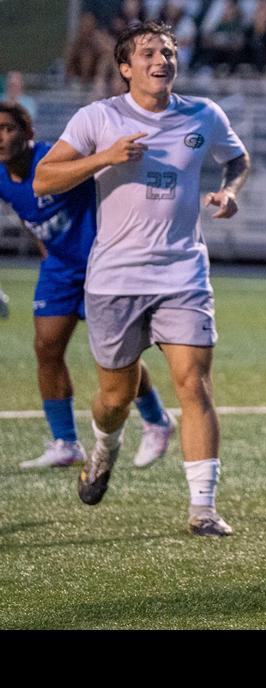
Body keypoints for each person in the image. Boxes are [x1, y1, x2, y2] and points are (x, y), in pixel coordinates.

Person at [35, 19, 250, 536]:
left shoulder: (204, 114)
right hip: (115, 279)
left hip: (183, 273)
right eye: (149, 53)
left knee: (194, 384)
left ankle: (203, 509)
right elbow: (44, 179)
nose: (161, 61)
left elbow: (237, 158)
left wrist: (229, 190)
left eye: (168, 52)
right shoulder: (99, 117)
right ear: (126, 68)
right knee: (115, 398)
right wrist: (104, 158)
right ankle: (104, 447)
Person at [3, 99, 174, 470]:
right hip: (59, 269)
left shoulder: (53, 157)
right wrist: (46, 250)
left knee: (117, 358)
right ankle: (66, 443)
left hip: (102, 264)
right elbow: (28, 215)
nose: (0, 138)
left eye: (7, 128)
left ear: (28, 132)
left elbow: (106, 170)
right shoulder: (2, 175)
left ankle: (157, 420)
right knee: (46, 348)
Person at [64, 12, 117, 98]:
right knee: (86, 54)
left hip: (97, 75)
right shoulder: (76, 42)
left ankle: (100, 82)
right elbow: (69, 59)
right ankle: (84, 83)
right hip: (79, 74)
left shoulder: (98, 37)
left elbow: (113, 50)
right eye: (85, 24)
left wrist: (99, 42)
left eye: (89, 24)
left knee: (106, 57)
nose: (87, 26)